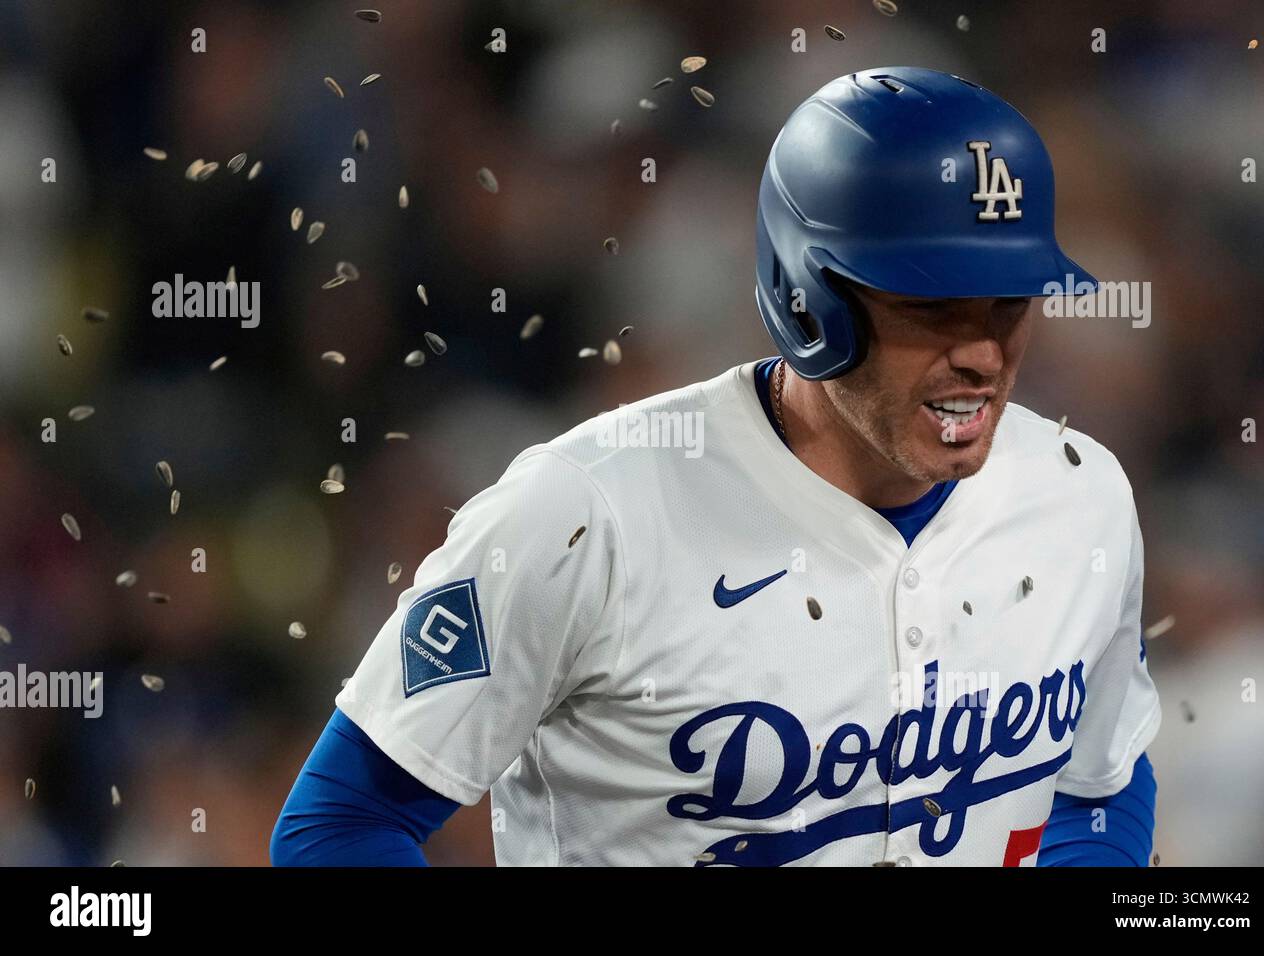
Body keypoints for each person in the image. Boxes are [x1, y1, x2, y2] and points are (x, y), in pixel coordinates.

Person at [271, 67, 1159, 867]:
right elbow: (343, 823)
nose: (983, 354)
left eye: (1010, 301)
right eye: (933, 305)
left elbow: (1099, 783)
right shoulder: (585, 514)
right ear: (811, 297)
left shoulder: (1080, 494)